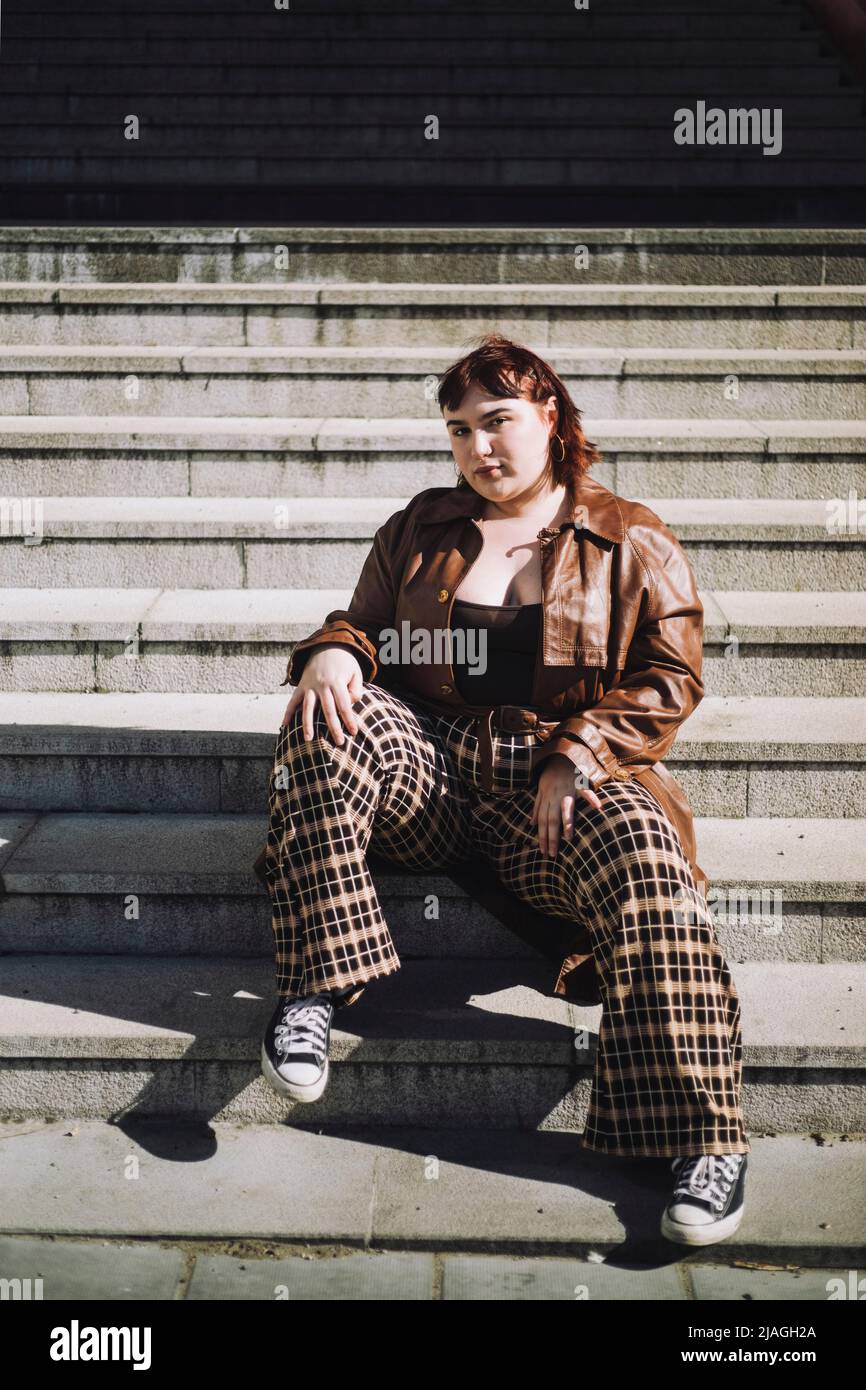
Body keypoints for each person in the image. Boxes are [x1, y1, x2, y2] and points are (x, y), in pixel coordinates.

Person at [256, 333, 750, 1247]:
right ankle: (314, 989)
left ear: (549, 416)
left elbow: (672, 677)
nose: (478, 447)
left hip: (554, 784)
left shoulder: (631, 536)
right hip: (434, 772)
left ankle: (703, 1137)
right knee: (325, 720)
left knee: (647, 856)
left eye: (498, 421)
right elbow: (365, 626)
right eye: (459, 430)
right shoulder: (422, 527)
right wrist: (331, 649)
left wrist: (582, 748)